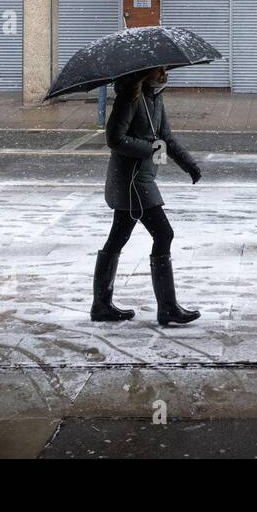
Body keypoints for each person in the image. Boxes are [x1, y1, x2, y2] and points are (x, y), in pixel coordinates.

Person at [91, 66, 202, 326]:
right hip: (131, 181)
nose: (164, 74)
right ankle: (167, 308)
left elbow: (166, 138)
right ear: (145, 72)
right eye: (158, 70)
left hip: (142, 178)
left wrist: (189, 165)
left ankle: (101, 305)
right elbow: (114, 138)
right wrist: (149, 149)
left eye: (165, 69)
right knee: (163, 233)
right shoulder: (130, 97)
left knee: (117, 237)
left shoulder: (155, 97)